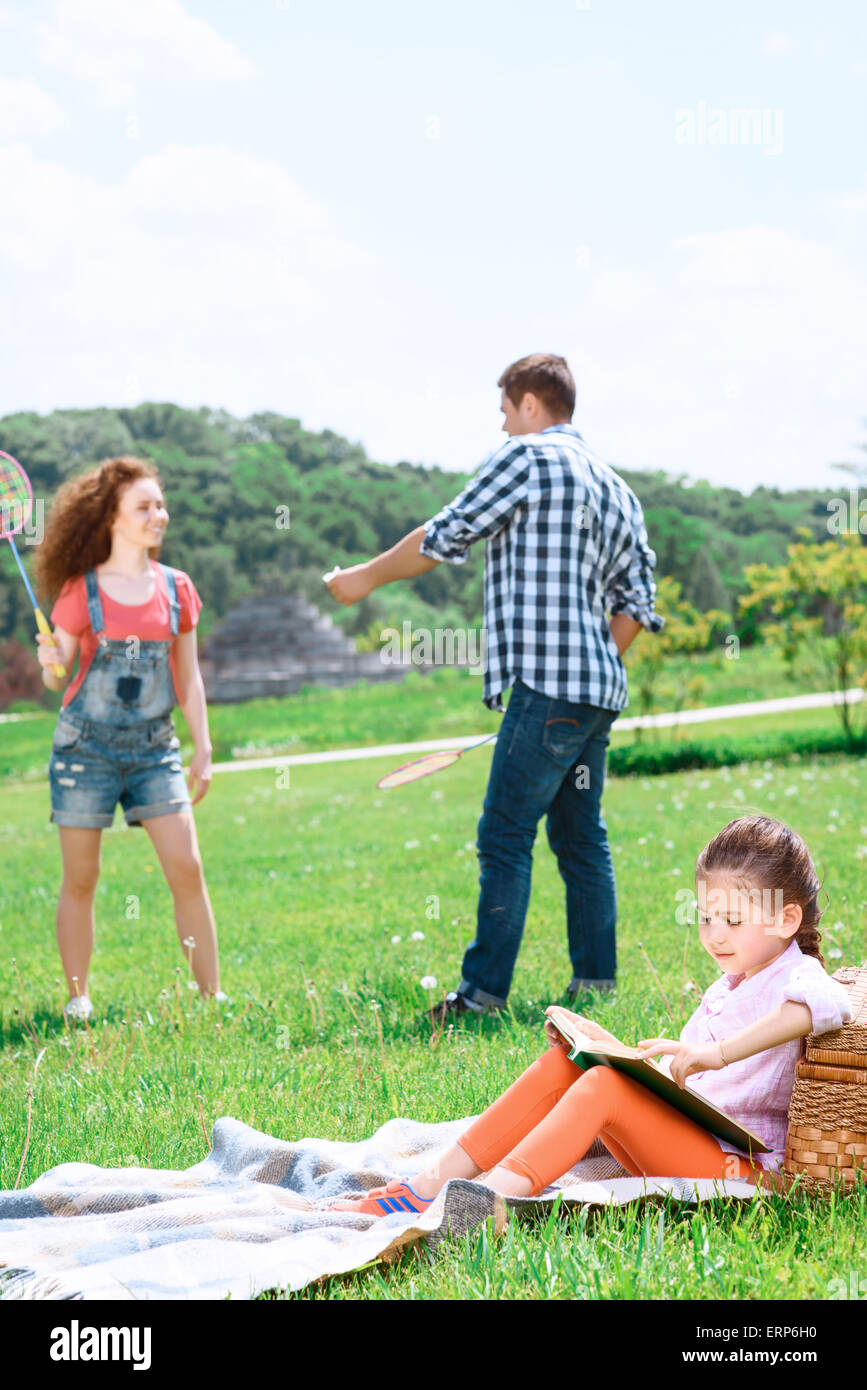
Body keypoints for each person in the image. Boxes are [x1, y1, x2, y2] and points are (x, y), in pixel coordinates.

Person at [326, 352, 663, 1021]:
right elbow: (637, 601)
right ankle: (594, 984)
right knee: (580, 836)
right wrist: (592, 663)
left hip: (544, 685)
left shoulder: (527, 459)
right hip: (597, 690)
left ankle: (480, 998)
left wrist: (362, 577)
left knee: (504, 835)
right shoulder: (617, 488)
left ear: (529, 404)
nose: (505, 427)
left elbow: (445, 535)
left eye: (506, 412)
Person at [329, 816, 853, 1214]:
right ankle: (427, 1186)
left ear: (787, 919)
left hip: (742, 1175)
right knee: (570, 1065)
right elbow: (698, 1091)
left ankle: (482, 1205)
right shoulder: (735, 981)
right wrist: (620, 1054)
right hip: (694, 1143)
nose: (714, 934)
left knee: (602, 1090)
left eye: (733, 920)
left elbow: (828, 1005)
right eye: (705, 917)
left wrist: (714, 1054)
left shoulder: (797, 976)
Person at [34, 455, 225, 1020]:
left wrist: (204, 749)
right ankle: (78, 997)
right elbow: (58, 675)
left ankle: (212, 997)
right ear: (113, 518)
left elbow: (186, 676)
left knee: (187, 867)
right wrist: (48, 661)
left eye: (160, 505)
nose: (158, 515)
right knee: (82, 877)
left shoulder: (177, 589)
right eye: (144, 506)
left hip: (153, 748)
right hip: (83, 749)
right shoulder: (80, 591)